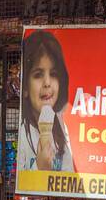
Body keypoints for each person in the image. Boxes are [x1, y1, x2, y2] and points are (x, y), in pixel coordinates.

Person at [20, 30, 74, 172]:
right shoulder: (22, 132)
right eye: (38, 75)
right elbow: (17, 180)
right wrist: (40, 167)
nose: (47, 83)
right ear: (25, 86)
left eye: (54, 74)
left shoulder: (64, 127)